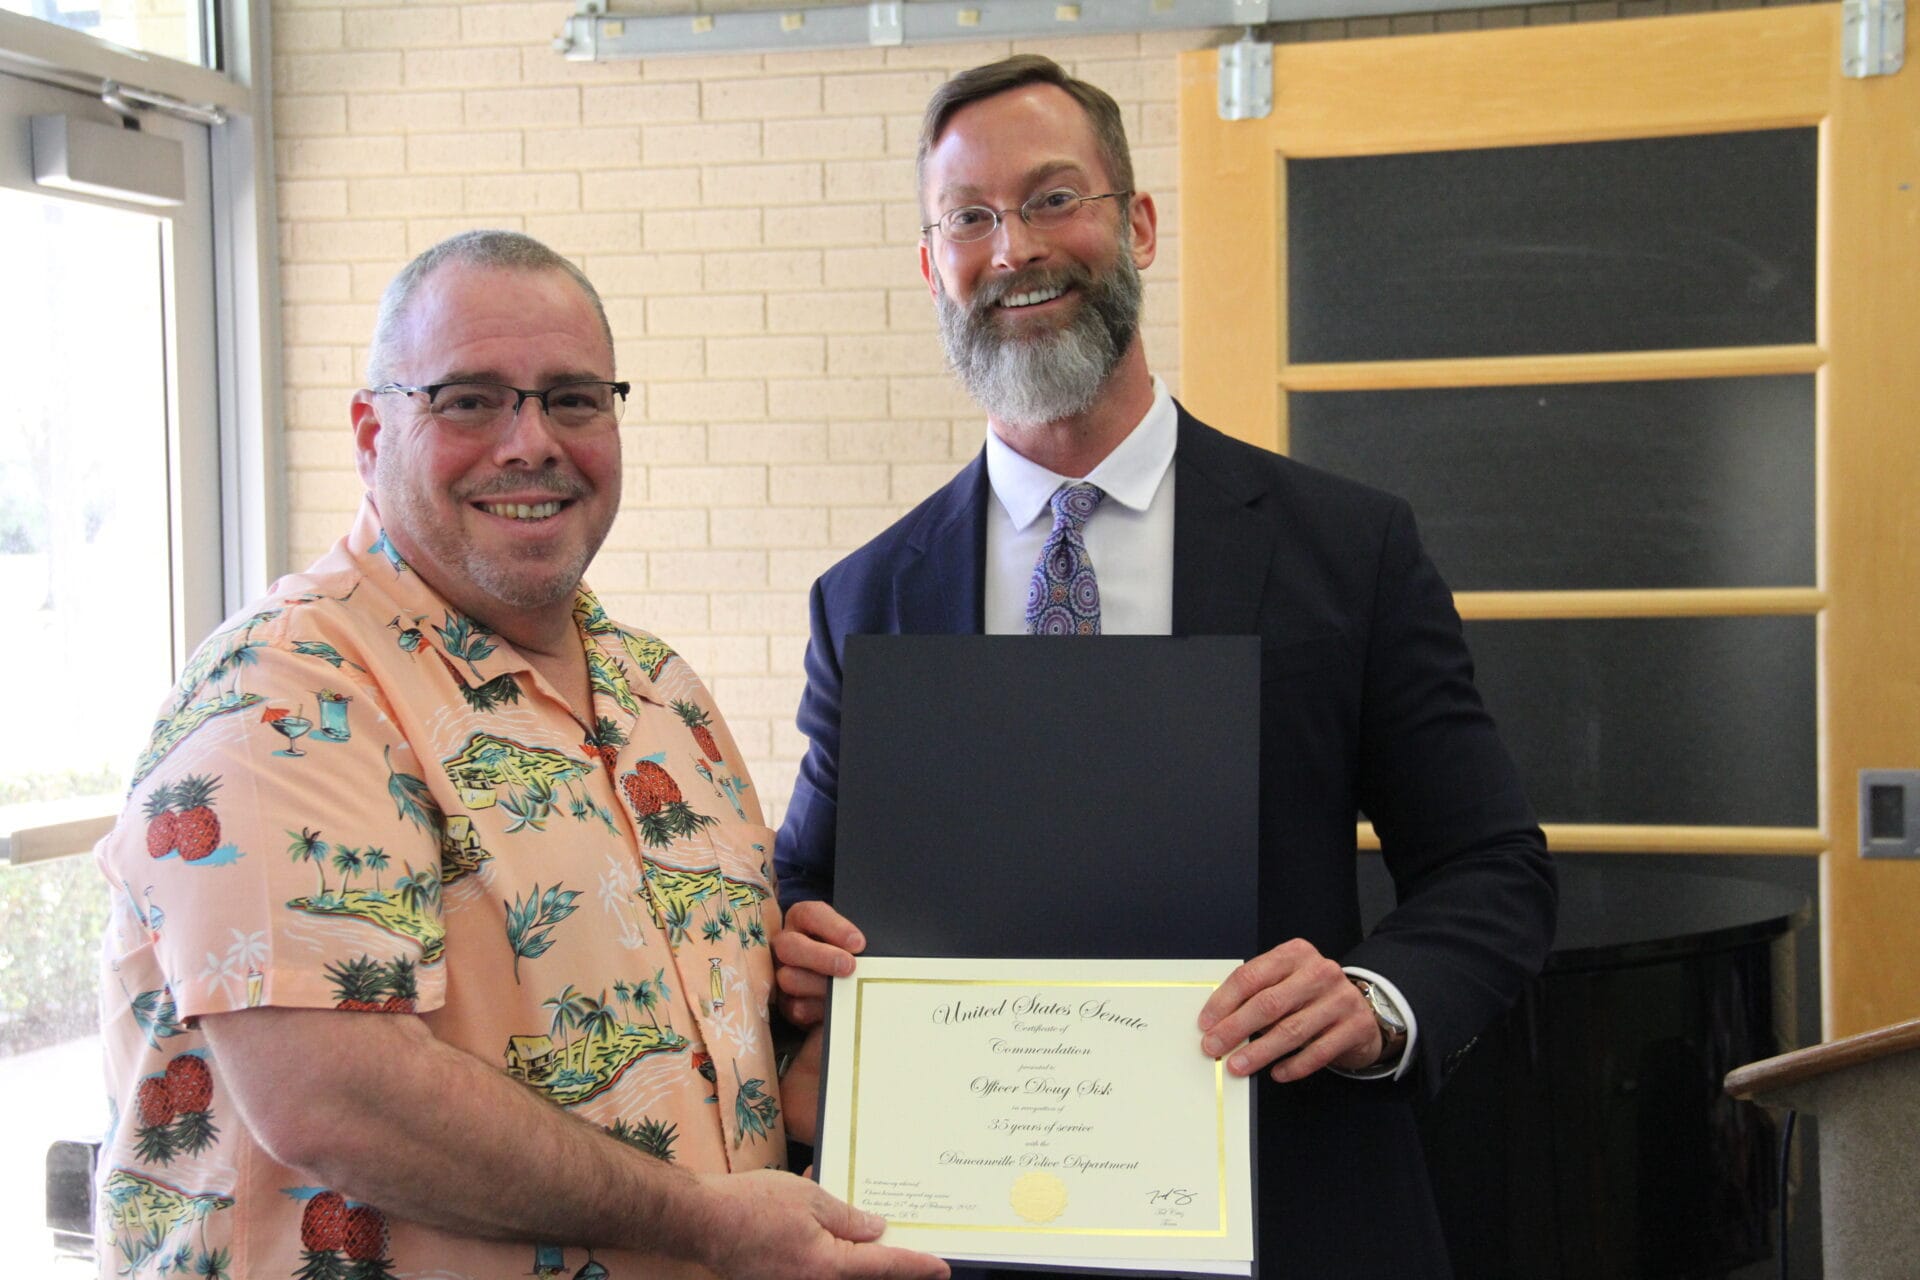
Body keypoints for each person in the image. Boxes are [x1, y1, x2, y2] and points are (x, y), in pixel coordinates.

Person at [772, 57, 1556, 1278]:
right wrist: (796, 947)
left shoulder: (1349, 549)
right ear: (933, 266)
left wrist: (1376, 997)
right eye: (968, 218)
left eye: (1051, 198)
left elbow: (1491, 868)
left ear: (1136, 223)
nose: (1014, 247)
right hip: (958, 1234)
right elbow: (805, 891)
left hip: (1289, 1211)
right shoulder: (866, 596)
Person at [93, 230, 949, 1280]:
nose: (531, 440)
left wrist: (799, 1027)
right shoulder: (286, 695)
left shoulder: (660, 694)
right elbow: (335, 1096)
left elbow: (680, 1048)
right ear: (371, 431)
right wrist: (704, 1220)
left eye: (574, 398)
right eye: (470, 399)